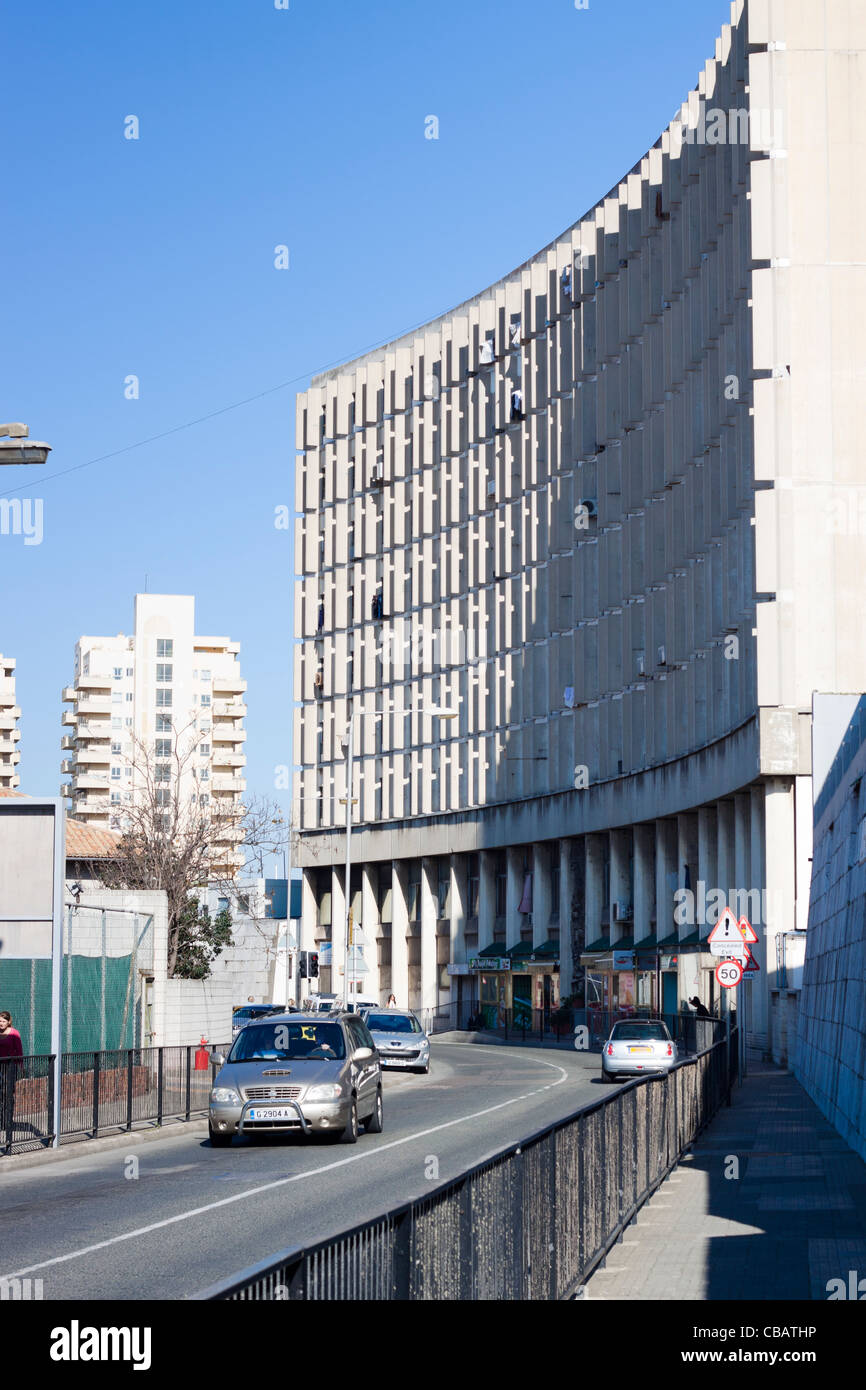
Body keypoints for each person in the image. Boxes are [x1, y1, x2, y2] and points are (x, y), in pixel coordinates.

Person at [0, 1010, 23, 1152]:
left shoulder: (14, 1033)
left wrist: (20, 1066)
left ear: (8, 1022)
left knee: (7, 1093)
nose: (1, 1023)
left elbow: (19, 1050)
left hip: (10, 1067)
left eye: (3, 1021)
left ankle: (7, 1121)